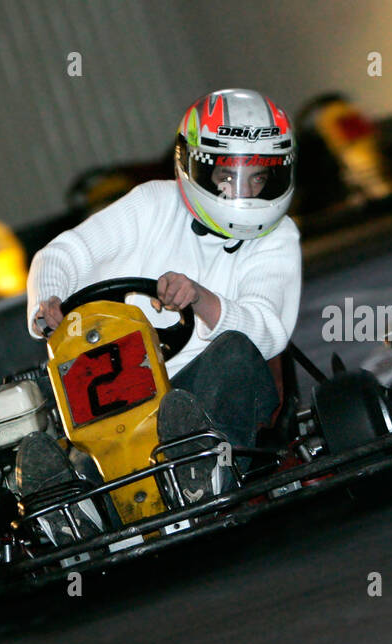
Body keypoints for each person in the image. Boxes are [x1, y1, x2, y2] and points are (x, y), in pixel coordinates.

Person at [26, 88, 301, 495]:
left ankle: (201, 469)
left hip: (202, 393)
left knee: (234, 352)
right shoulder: (154, 204)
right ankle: (74, 494)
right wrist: (49, 302)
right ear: (194, 163)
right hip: (115, 399)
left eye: (258, 177)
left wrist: (200, 298)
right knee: (41, 408)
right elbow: (66, 253)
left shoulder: (278, 238)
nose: (242, 192)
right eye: (227, 175)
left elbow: (267, 332)